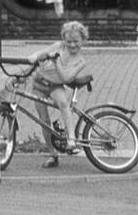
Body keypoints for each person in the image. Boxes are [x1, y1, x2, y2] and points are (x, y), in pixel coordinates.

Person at [29, 21, 93, 168]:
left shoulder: (80, 61)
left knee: (64, 103)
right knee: (43, 121)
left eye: (76, 41)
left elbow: (65, 78)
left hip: (55, 86)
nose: (72, 45)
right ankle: (53, 154)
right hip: (39, 84)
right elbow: (42, 54)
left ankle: (71, 139)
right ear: (64, 39)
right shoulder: (59, 46)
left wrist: (56, 60)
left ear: (83, 40)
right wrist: (34, 56)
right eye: (68, 41)